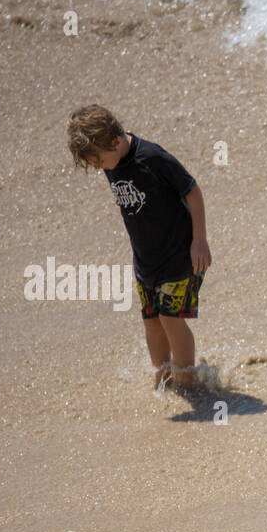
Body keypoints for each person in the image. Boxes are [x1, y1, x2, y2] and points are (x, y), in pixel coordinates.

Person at [67, 104, 211, 389]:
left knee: (171, 318)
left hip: (179, 255)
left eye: (99, 161)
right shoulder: (112, 158)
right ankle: (163, 379)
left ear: (116, 141)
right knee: (151, 320)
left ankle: (188, 382)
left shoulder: (151, 158)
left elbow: (192, 190)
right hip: (146, 260)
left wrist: (200, 241)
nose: (99, 168)